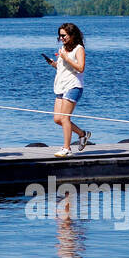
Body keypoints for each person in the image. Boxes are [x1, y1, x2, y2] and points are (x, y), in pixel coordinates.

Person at [45, 23, 89, 157]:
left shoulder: (79, 49)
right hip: (60, 86)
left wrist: (66, 58)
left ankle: (67, 148)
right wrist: (54, 63)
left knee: (65, 118)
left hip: (73, 86)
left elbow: (80, 68)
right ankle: (82, 134)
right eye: (60, 36)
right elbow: (62, 67)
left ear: (72, 35)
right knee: (58, 119)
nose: (61, 38)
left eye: (64, 35)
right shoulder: (63, 48)